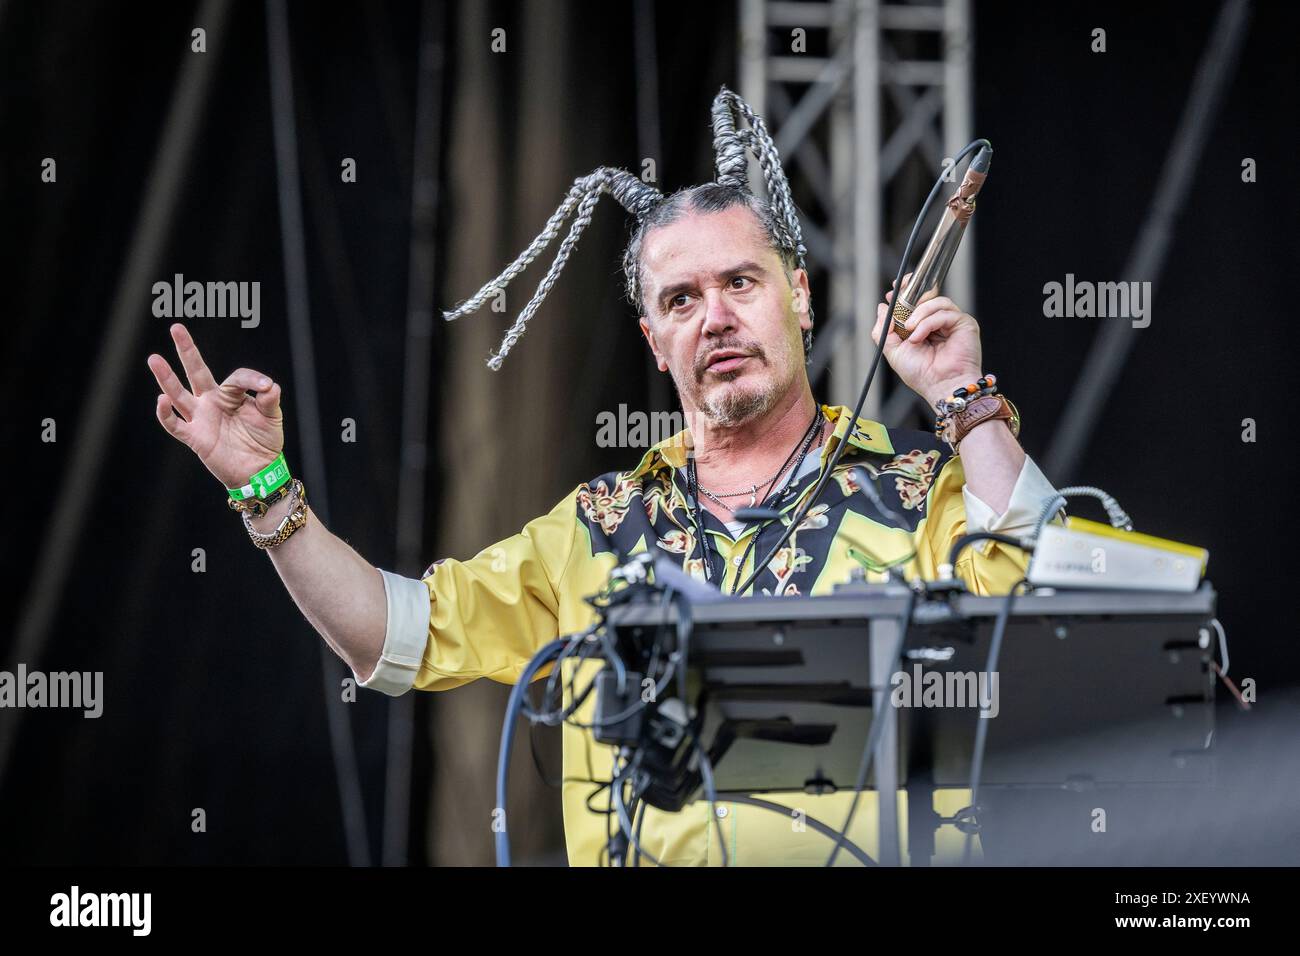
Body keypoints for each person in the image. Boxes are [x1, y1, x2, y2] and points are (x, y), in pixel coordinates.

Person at [146, 89, 1056, 866]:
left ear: (801, 294)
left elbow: (1057, 602)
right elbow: (391, 639)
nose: (716, 319)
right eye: (681, 301)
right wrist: (264, 487)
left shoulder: (909, 492)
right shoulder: (597, 524)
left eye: (742, 282)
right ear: (655, 343)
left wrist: (961, 396)